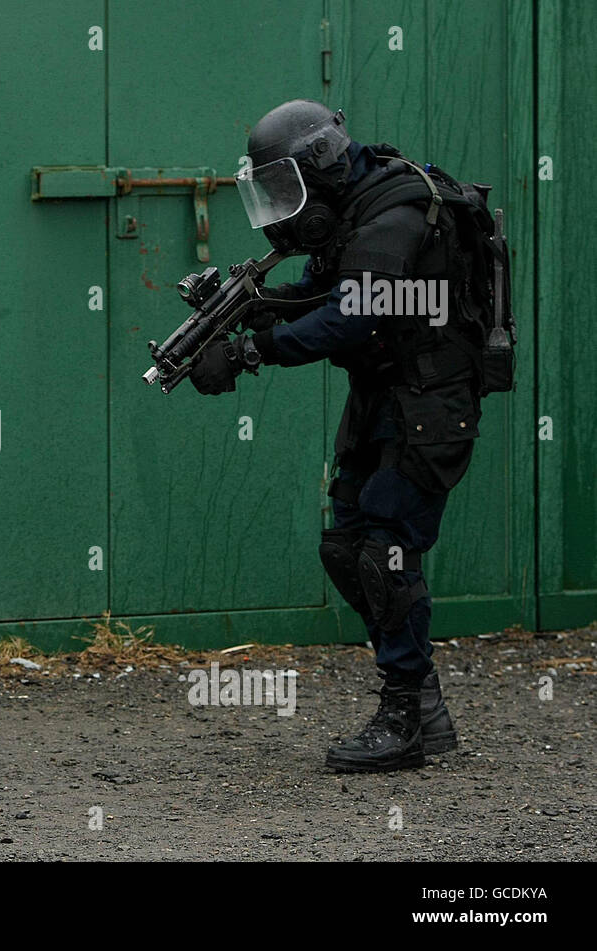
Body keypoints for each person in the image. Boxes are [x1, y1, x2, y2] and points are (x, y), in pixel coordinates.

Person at [188, 100, 494, 772]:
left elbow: (354, 316)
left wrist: (250, 353)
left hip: (429, 403)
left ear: (321, 163)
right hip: (383, 397)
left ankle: (406, 716)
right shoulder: (356, 208)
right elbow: (322, 293)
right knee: (345, 546)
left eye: (285, 187)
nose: (283, 207)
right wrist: (246, 310)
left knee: (385, 550)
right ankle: (424, 704)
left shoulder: (395, 210)